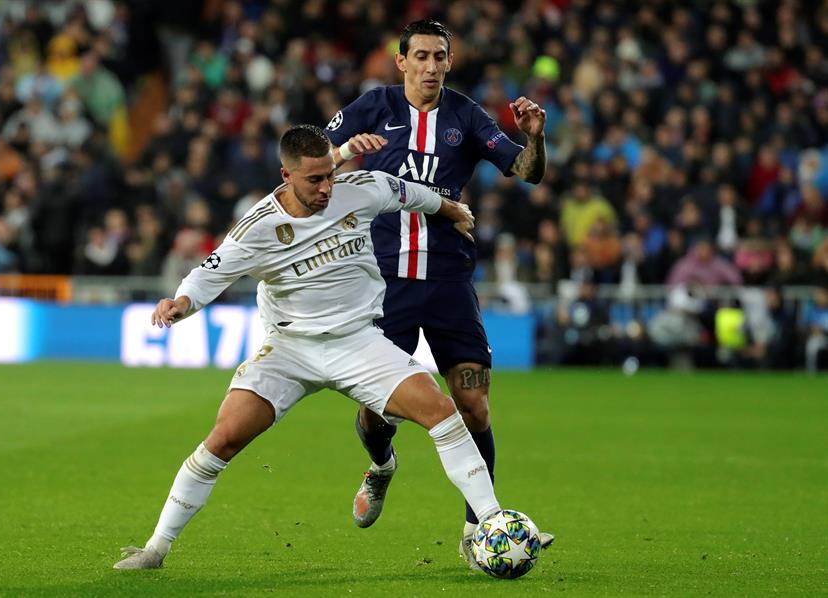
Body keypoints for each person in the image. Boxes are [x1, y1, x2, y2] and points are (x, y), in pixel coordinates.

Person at [113, 124, 513, 570]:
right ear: (286, 177)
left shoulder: (360, 189)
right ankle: (155, 549)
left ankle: (494, 526)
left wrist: (453, 209)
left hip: (358, 342)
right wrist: (180, 304)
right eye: (315, 180)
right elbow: (210, 273)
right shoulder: (259, 228)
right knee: (222, 439)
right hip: (289, 349)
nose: (327, 187)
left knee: (443, 413)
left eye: (330, 175)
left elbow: (411, 194)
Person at [323, 19, 553, 567]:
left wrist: (535, 138)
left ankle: (479, 528)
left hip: (450, 281)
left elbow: (528, 172)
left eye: (439, 57)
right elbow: (303, 165)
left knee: (473, 403)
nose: (430, 66)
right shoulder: (370, 107)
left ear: (450, 62)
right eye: (420, 56)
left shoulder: (466, 116)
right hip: (383, 286)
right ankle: (381, 468)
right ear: (401, 61)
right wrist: (340, 154)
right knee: (378, 415)